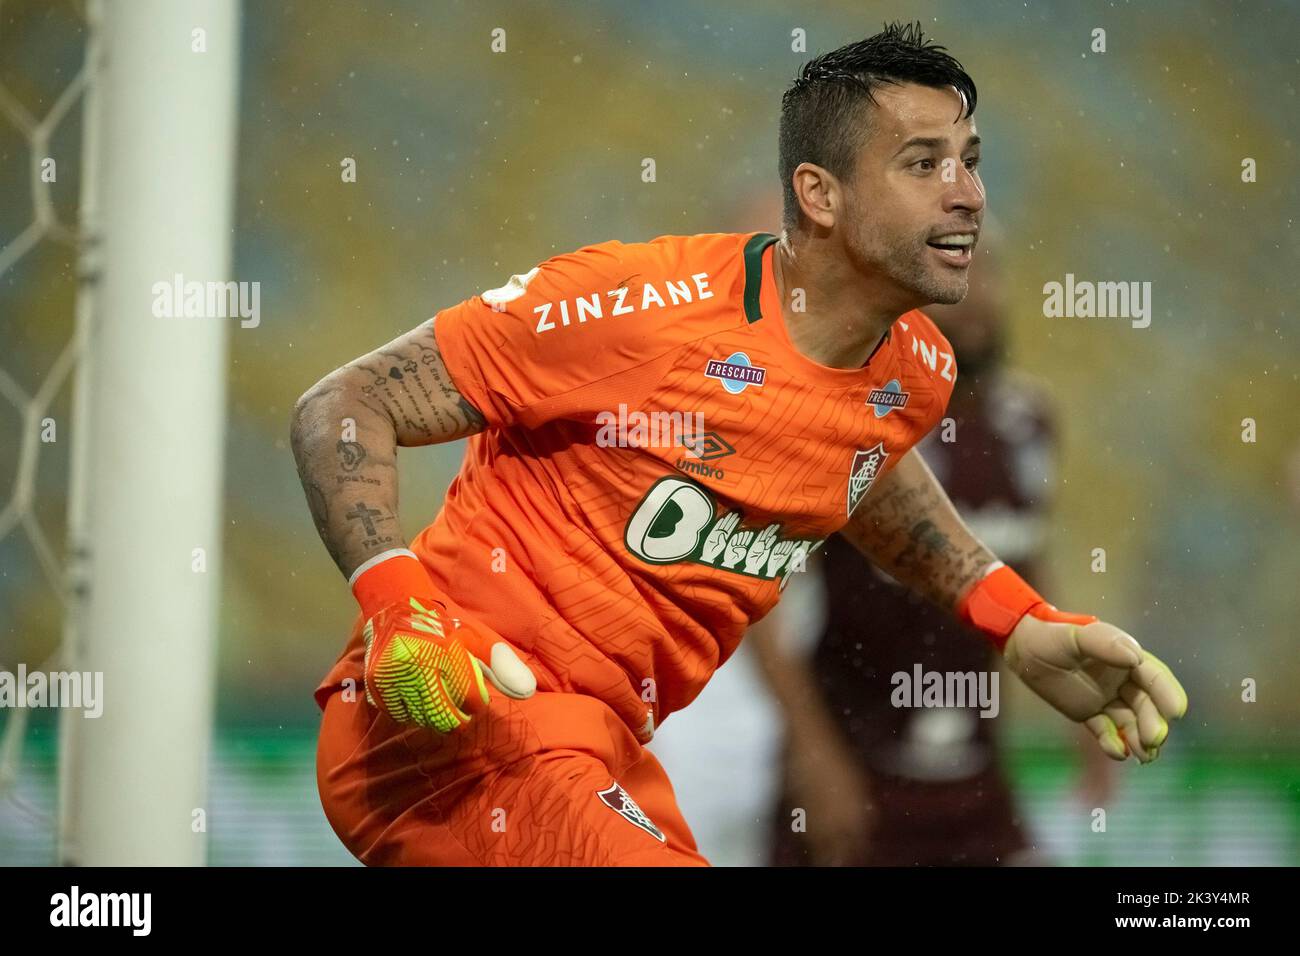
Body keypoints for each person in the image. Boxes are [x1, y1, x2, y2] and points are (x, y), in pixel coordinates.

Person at [291, 22, 1186, 866]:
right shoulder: (633, 308)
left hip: (589, 744)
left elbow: (859, 464)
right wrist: (398, 603)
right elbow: (345, 402)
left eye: (971, 161)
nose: (968, 193)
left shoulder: (913, 370)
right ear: (819, 194)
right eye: (923, 163)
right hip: (446, 716)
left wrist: (1014, 620)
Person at [755, 232, 1114, 866]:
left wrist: (1082, 699)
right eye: (954, 276)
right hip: (857, 778)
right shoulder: (852, 418)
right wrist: (812, 751)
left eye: (991, 273)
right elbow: (765, 599)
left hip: (977, 789)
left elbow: (1028, 567)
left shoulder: (1029, 420)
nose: (976, 297)